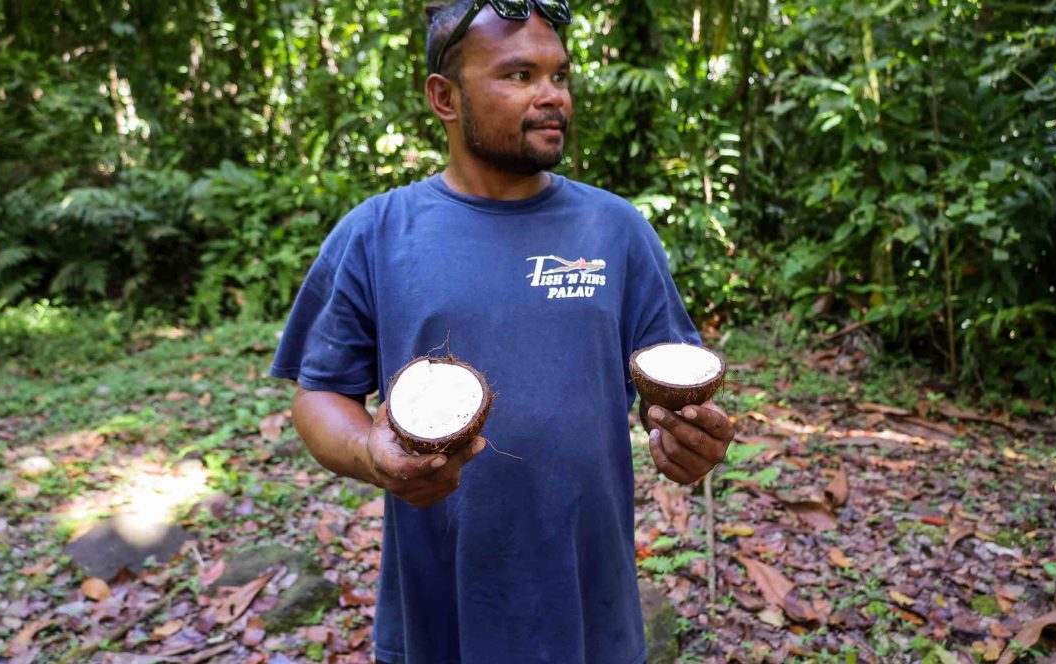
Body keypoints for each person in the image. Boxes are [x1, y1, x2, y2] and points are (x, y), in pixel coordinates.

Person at [269, 1, 736, 662]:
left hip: (589, 609)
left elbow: (676, 383)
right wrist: (373, 454)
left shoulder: (616, 229)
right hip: (442, 612)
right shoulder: (377, 233)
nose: (552, 97)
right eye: (519, 75)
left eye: (560, 76)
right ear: (444, 98)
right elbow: (318, 396)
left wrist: (694, 438)